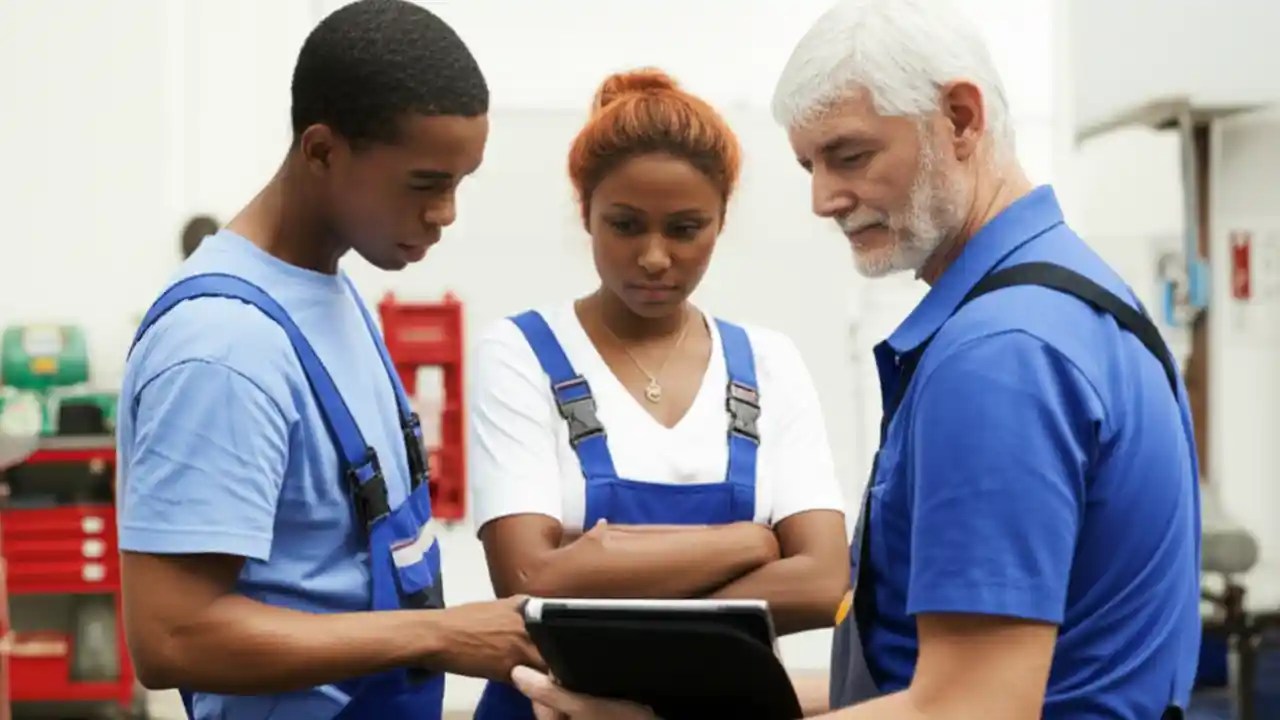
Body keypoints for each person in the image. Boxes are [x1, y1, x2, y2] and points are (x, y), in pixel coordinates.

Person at [508, 1, 1203, 718]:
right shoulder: (1086, 304)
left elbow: (968, 708)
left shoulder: (1000, 357)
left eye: (850, 155)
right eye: (810, 165)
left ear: (961, 119)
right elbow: (933, 686)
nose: (821, 198)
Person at [115, 2, 541, 719]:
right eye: (425, 183)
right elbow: (171, 636)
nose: (446, 213)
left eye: (459, 184)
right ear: (320, 152)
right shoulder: (224, 349)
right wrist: (440, 634)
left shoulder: (330, 289)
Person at [467, 68, 850, 719]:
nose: (652, 256)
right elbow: (527, 581)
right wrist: (747, 545)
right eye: (624, 224)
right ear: (584, 209)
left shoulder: (768, 364)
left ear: (722, 221)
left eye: (684, 228)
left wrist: (599, 576)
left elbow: (821, 582)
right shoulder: (520, 353)